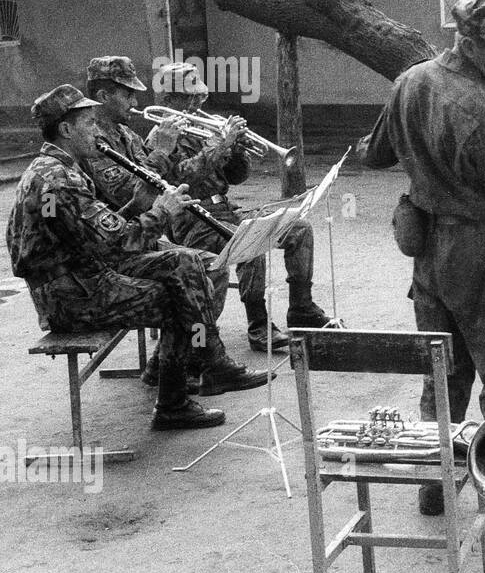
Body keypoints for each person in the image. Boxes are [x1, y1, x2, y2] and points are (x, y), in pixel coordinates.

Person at [357, 0, 485, 526]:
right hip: (481, 256)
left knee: (441, 373)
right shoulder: (481, 105)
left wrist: (423, 163)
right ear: (482, 42)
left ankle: (433, 485)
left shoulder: (411, 82)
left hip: (428, 257)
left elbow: (372, 155)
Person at [5, 86, 244, 430]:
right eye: (89, 123)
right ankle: (181, 393)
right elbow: (119, 242)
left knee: (186, 262)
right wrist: (163, 212)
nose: (98, 130)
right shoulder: (58, 180)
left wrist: (141, 202)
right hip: (69, 296)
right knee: (175, 298)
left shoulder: (58, 167)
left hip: (82, 276)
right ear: (66, 130)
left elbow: (100, 230)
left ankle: (207, 357)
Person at [82, 57, 267, 397]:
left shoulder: (123, 134)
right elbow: (134, 193)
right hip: (123, 239)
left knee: (210, 262)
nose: (137, 102)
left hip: (144, 229)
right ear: (104, 95)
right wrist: (167, 152)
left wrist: (231, 149)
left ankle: (187, 362)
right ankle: (200, 362)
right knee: (204, 268)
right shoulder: (94, 142)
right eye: (128, 95)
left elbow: (228, 178)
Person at [144, 61, 331, 352]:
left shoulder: (201, 129)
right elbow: (181, 178)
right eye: (187, 97)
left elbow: (236, 177)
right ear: (168, 99)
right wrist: (219, 145)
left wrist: (236, 148)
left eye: (199, 97)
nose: (196, 103)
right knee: (248, 241)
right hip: (191, 218)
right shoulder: (161, 137)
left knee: (299, 229)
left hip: (225, 208)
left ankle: (302, 308)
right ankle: (259, 325)